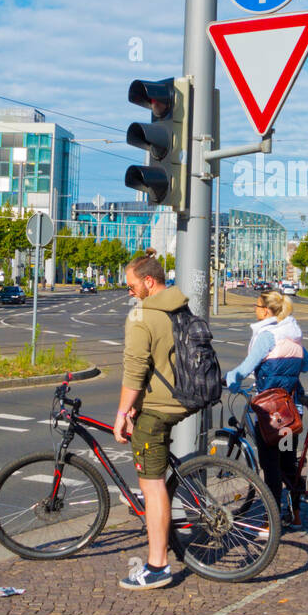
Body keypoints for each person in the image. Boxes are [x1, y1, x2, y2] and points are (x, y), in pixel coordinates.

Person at [114, 249, 192, 590]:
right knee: (157, 475)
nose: (129, 293)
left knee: (152, 484)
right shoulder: (179, 305)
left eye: (131, 287)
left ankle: (158, 566)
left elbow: (135, 370)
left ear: (149, 281)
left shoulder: (142, 315)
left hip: (159, 407)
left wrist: (121, 412)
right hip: (183, 397)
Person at [225, 290, 308, 529]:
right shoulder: (293, 335)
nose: (254, 309)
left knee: (271, 467)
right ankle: (295, 514)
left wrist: (229, 380)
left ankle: (270, 521)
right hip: (292, 412)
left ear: (266, 310)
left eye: (256, 306)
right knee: (288, 465)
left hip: (271, 415)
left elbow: (245, 368)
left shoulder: (267, 336)